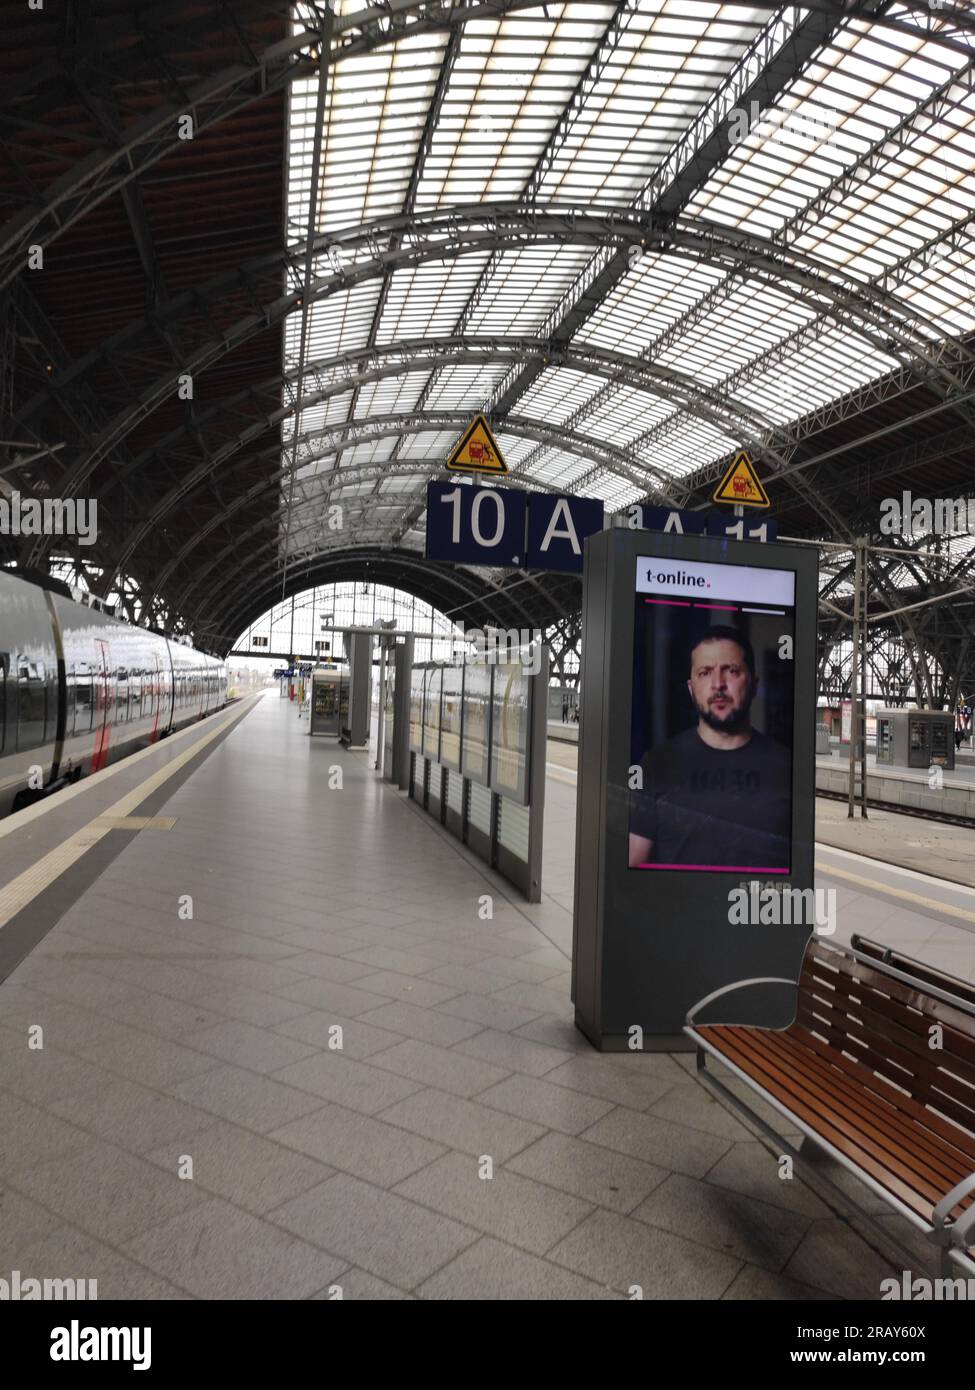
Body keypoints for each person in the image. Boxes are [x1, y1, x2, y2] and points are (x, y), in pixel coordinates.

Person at [628, 626, 791, 870]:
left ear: (754, 685)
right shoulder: (657, 763)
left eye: (732, 671)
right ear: (691, 689)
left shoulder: (786, 766)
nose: (718, 684)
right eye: (705, 673)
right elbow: (633, 862)